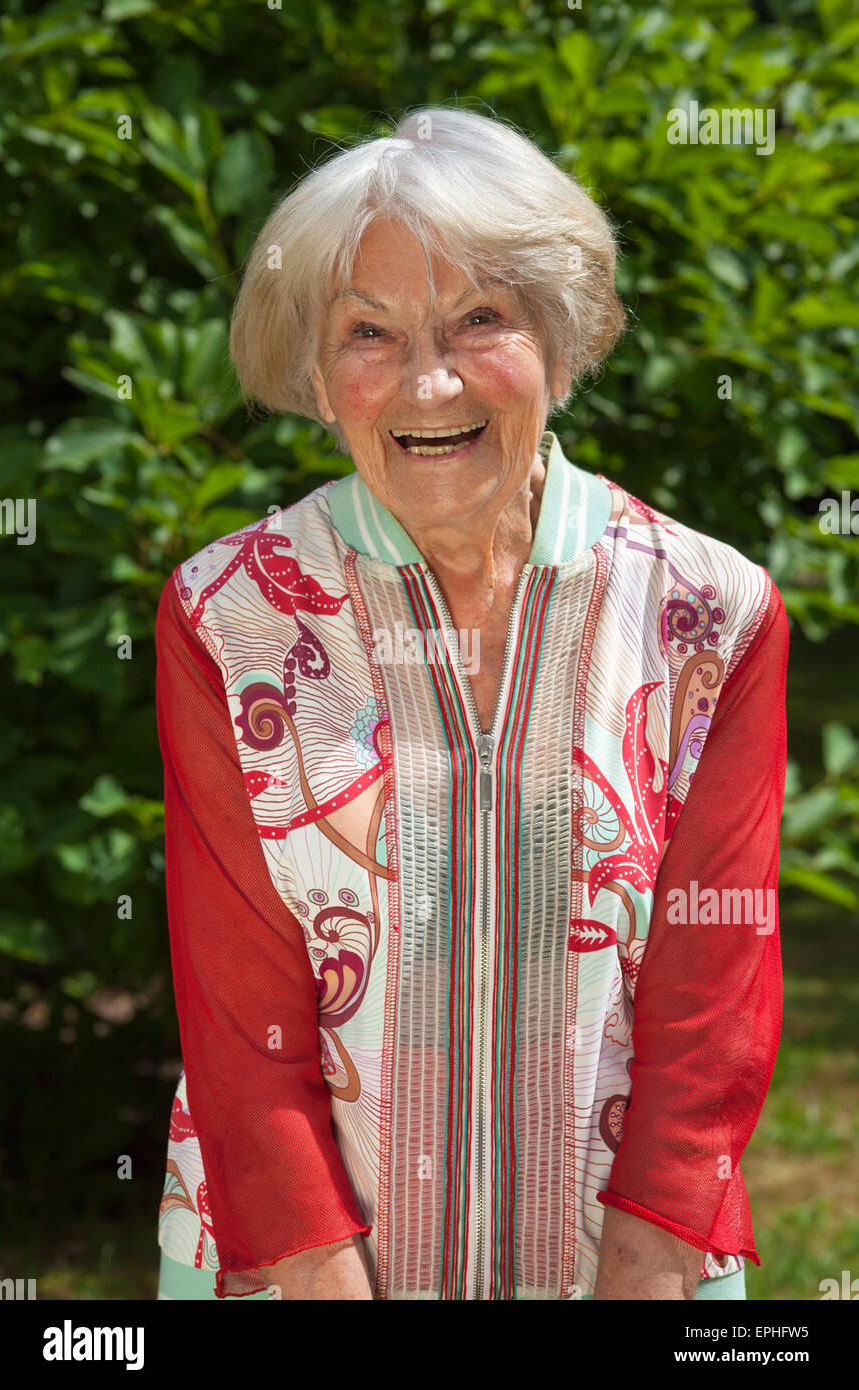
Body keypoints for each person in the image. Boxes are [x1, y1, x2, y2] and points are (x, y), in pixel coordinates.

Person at [154, 106, 788, 1300]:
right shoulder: (226, 614)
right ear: (315, 369)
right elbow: (243, 1028)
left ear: (560, 338)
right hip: (304, 1268)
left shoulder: (713, 610)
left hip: (625, 1262)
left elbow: (712, 1016)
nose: (428, 379)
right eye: (369, 332)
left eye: (478, 321)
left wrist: (647, 1283)